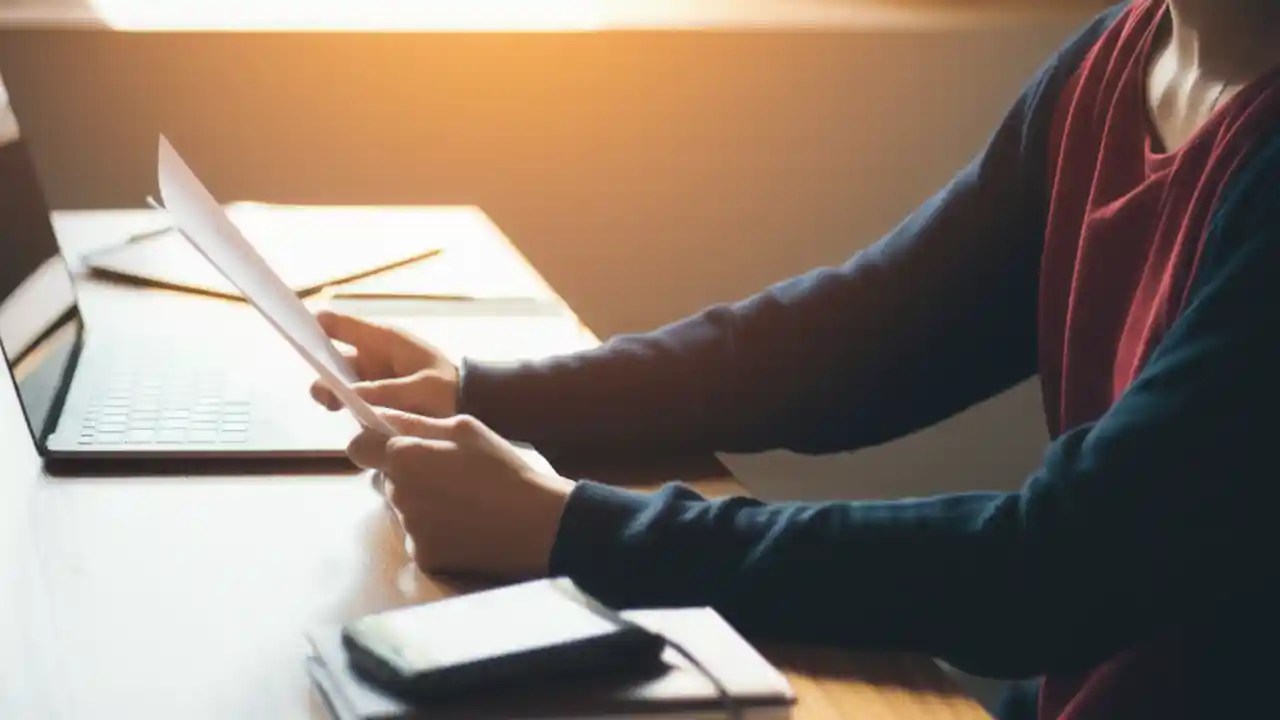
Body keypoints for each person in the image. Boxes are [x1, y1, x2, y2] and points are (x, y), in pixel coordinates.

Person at [310, 1, 1280, 717]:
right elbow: (851, 341)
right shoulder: (1118, 61)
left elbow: (1053, 569)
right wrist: (500, 395)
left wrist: (580, 534)